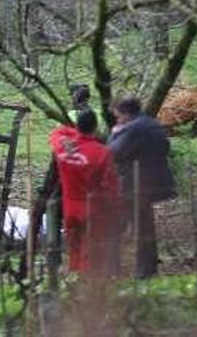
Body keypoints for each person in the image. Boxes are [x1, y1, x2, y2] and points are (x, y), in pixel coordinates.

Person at [108, 97, 176, 278]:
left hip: (134, 185)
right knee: (145, 225)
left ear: (125, 113)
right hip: (154, 182)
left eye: (118, 117)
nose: (117, 121)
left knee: (118, 225)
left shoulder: (132, 129)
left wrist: (114, 133)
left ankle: (119, 269)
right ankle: (148, 266)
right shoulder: (152, 124)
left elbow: (113, 152)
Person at [49, 110, 119, 275]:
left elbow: (57, 132)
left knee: (74, 249)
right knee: (91, 253)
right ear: (95, 128)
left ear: (78, 126)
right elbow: (111, 185)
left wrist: (74, 134)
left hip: (70, 208)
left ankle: (74, 283)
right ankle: (89, 290)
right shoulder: (102, 152)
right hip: (92, 208)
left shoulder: (62, 147)